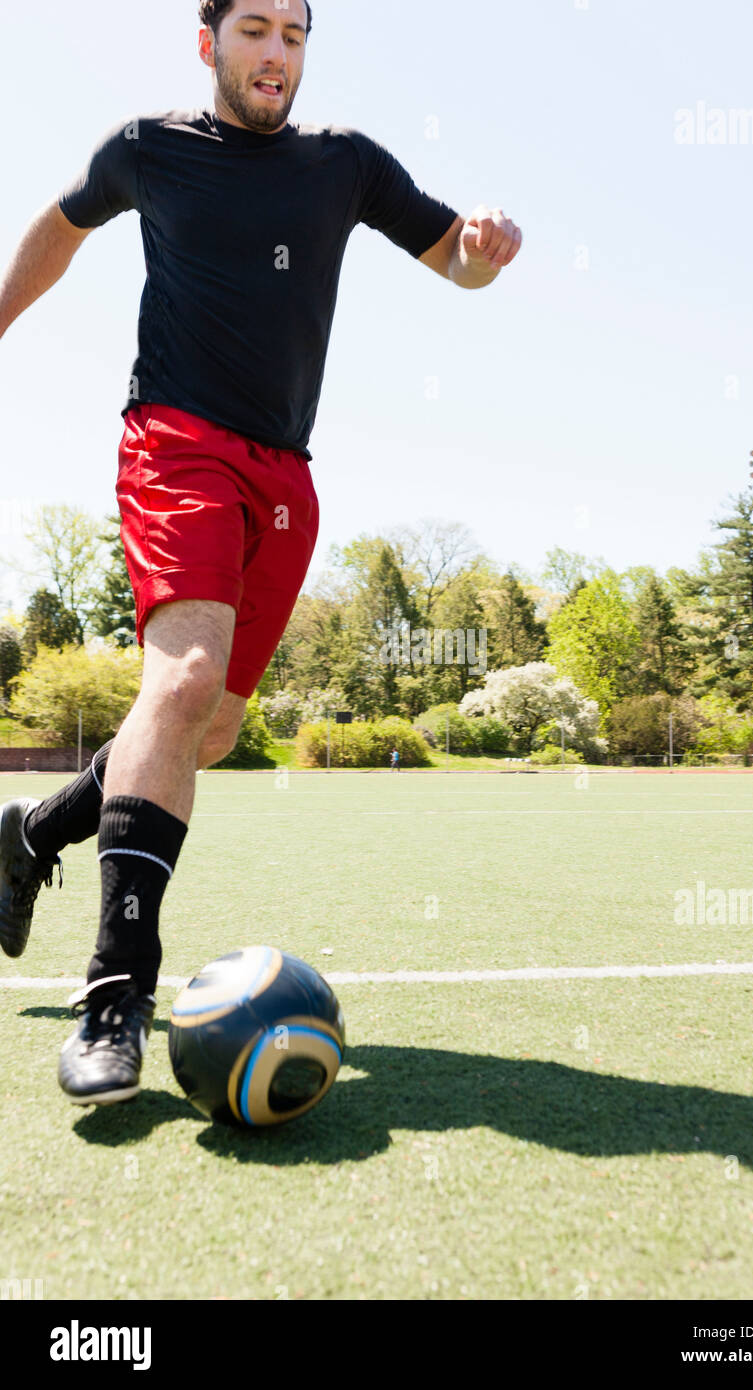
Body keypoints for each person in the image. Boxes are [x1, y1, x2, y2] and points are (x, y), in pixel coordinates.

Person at [0, 0, 523, 1107]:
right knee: (181, 682)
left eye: (292, 33)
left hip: (284, 478)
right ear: (208, 44)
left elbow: (455, 265)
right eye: (253, 29)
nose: (275, 52)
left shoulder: (345, 167)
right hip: (175, 444)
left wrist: (480, 252)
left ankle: (29, 833)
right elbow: (60, 224)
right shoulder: (148, 147)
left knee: (216, 725)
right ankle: (113, 992)